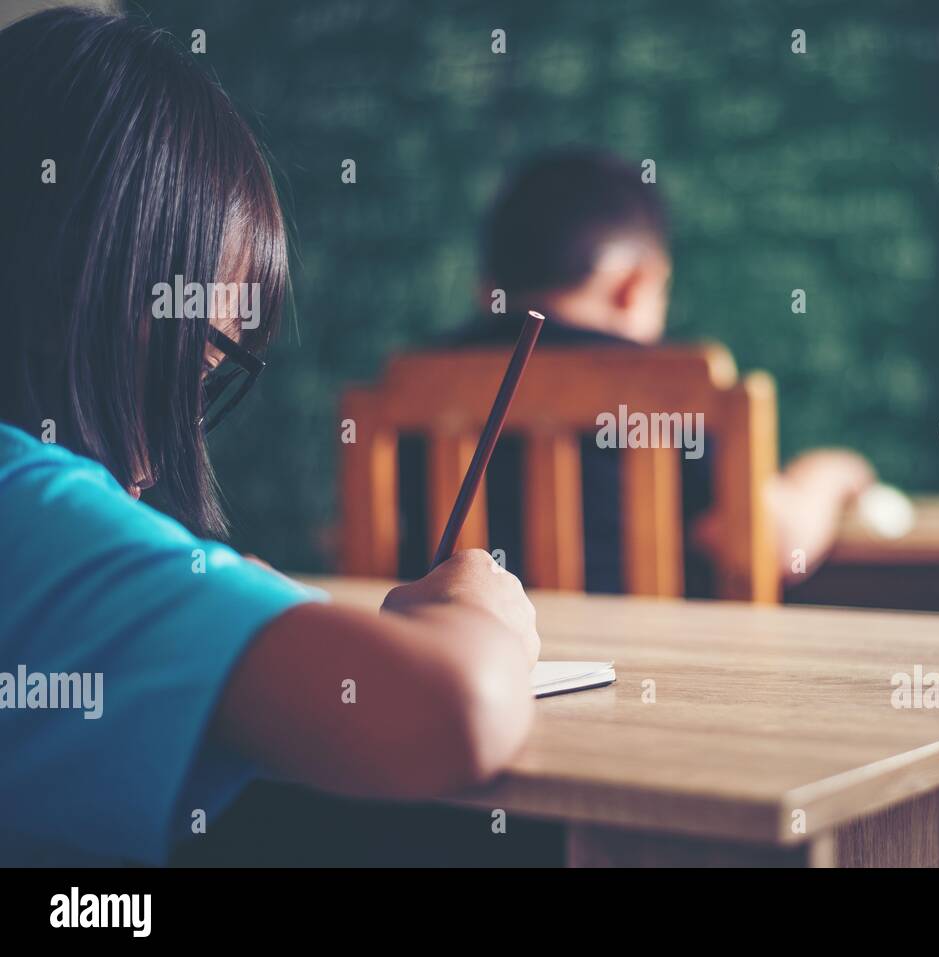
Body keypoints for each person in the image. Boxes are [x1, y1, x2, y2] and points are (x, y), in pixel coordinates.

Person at [0, 8, 538, 866]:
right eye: (201, 352)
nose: (188, 408)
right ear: (75, 286)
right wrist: (480, 614)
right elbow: (455, 710)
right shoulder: (29, 515)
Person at [426, 149, 873, 593]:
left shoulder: (420, 384)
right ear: (636, 285)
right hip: (630, 659)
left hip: (449, 655)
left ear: (487, 289)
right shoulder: (668, 389)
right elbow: (777, 542)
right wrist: (830, 472)